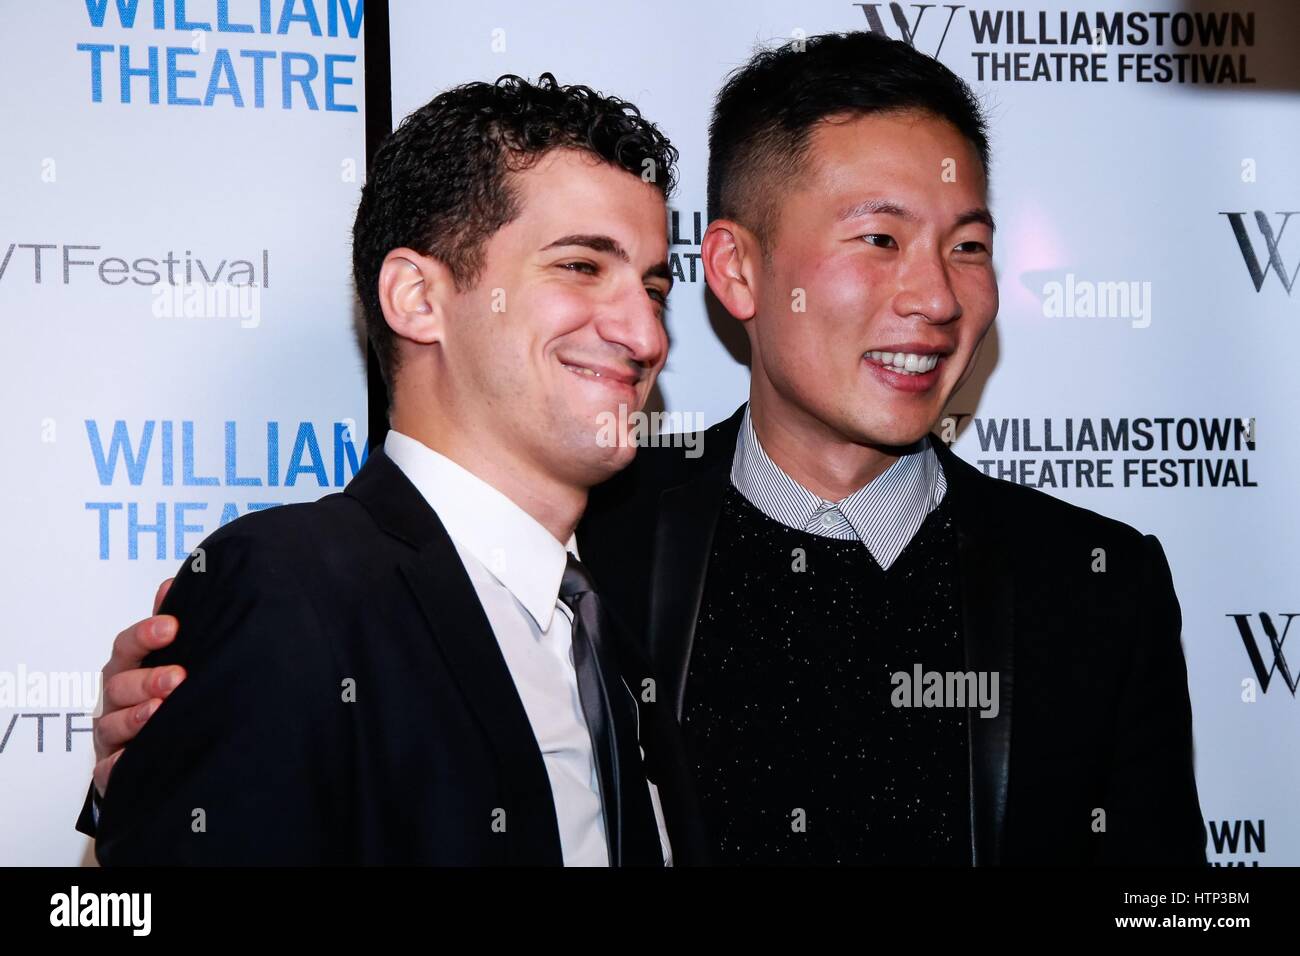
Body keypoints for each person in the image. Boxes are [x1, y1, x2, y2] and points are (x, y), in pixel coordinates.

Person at [85, 32, 1207, 866]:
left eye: (967, 246)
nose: (934, 294)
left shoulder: (1094, 581)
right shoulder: (597, 541)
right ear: (740, 272)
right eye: (879, 238)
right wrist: (178, 753)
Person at [77, 73, 709, 866]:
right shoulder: (287, 587)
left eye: (654, 287)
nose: (645, 334)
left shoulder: (614, 626)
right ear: (416, 297)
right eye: (582, 266)